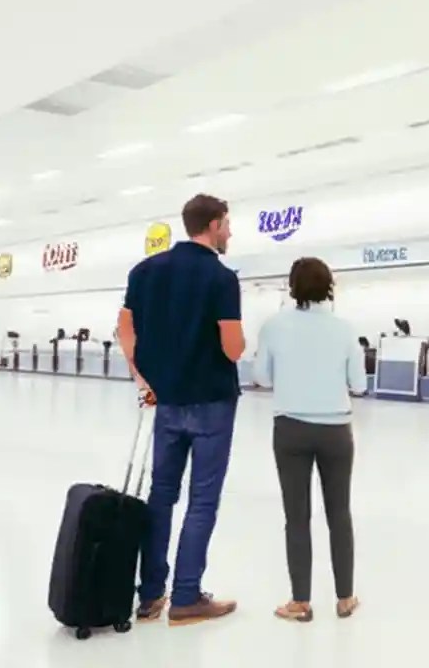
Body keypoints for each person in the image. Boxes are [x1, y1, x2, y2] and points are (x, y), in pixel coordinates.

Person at [117, 194, 244, 626]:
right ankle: (187, 596)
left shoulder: (144, 271)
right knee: (202, 501)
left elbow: (124, 328)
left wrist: (142, 377)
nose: (229, 232)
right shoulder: (222, 278)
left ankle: (150, 594)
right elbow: (232, 347)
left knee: (161, 495)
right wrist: (238, 344)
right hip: (211, 403)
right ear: (211, 225)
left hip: (166, 404)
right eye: (227, 224)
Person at [253, 257, 363, 622]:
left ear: (292, 287)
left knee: (296, 516)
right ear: (329, 287)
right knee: (339, 514)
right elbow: (359, 384)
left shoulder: (274, 326)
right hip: (336, 431)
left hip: (290, 429)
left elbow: (262, 378)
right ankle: (345, 598)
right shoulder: (345, 329)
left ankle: (300, 603)